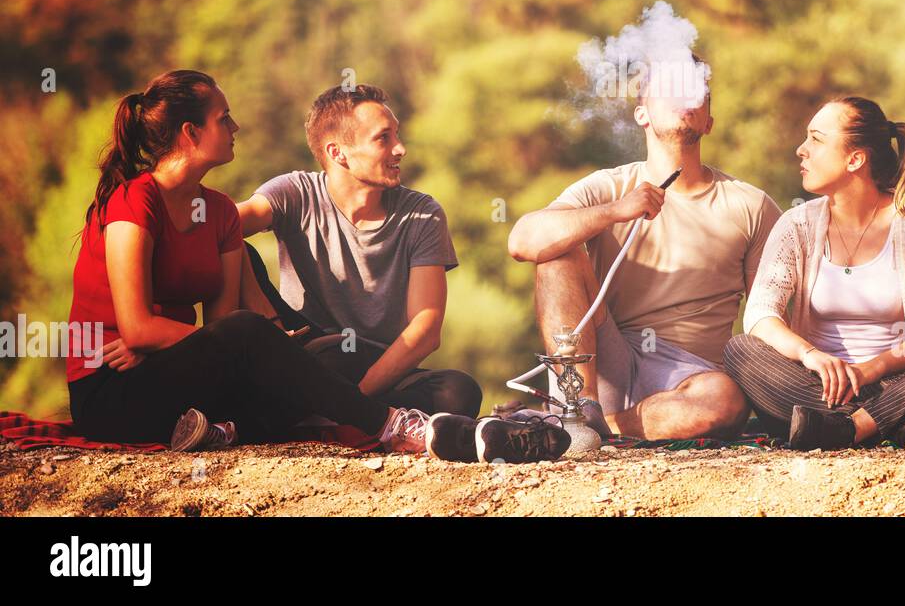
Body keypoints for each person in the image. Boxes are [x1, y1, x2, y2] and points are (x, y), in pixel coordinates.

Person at [66, 70, 566, 464]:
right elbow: (139, 327)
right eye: (225, 118)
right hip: (115, 385)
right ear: (191, 133)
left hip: (206, 384)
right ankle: (401, 428)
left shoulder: (218, 211)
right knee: (258, 335)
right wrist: (161, 339)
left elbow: (217, 330)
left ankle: (265, 422)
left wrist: (195, 341)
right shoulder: (134, 203)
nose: (236, 126)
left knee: (454, 387)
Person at [508, 58, 783, 439]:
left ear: (709, 122)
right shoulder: (609, 187)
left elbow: (767, 316)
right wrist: (615, 212)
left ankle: (582, 428)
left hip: (691, 379)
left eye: (696, 89)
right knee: (557, 253)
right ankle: (580, 407)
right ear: (642, 114)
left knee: (726, 401)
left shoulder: (752, 205)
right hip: (606, 362)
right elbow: (523, 241)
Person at [723, 96, 905, 451]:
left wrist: (870, 369)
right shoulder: (797, 224)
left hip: (900, 385)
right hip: (819, 389)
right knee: (739, 349)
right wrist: (810, 355)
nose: (801, 149)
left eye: (816, 139)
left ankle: (849, 428)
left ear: (855, 158)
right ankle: (897, 427)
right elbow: (761, 314)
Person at [237, 83, 481, 422]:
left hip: (376, 367)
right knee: (238, 249)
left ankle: (330, 419)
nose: (401, 149)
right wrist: (270, 320)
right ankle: (347, 420)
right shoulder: (294, 192)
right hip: (307, 353)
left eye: (397, 135)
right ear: (338, 153)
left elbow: (425, 330)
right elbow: (221, 227)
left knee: (459, 392)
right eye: (384, 138)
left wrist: (354, 399)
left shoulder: (423, 214)